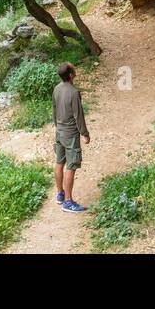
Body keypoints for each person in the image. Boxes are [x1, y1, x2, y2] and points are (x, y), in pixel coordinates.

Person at [52, 62, 90, 213]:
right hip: (70, 134)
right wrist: (85, 133)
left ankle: (60, 193)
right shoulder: (74, 92)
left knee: (59, 162)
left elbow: (54, 110)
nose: (75, 69)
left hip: (59, 131)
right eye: (73, 68)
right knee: (71, 166)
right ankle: (68, 202)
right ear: (70, 75)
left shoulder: (56, 89)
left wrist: (57, 126)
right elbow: (78, 116)